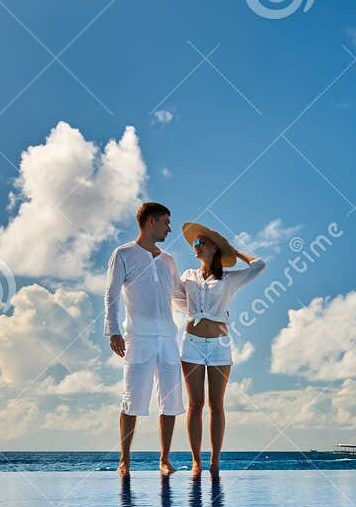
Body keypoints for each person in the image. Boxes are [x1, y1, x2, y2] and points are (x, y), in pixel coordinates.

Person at [173, 222, 266, 478]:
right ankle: (196, 461)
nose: (196, 246)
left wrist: (235, 252)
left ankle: (215, 460)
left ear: (214, 247)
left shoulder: (229, 278)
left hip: (220, 346)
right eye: (195, 243)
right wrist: (194, 314)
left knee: (216, 404)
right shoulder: (188, 276)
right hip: (191, 342)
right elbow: (177, 299)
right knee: (195, 404)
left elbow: (259, 265)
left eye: (202, 242)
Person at [105, 202, 187, 477]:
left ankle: (164, 459)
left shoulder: (169, 260)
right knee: (132, 399)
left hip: (168, 338)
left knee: (171, 400)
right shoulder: (124, 254)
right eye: (166, 222)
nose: (169, 228)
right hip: (137, 337)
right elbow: (112, 294)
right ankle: (124, 460)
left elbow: (179, 297)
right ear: (151, 221)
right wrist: (113, 330)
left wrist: (206, 309)